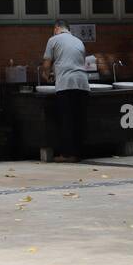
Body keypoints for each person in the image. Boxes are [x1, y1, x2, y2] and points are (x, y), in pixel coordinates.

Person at [42, 20, 90, 163]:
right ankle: (78, 153)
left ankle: (67, 154)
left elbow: (46, 63)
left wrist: (46, 75)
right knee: (79, 120)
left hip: (66, 84)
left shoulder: (53, 40)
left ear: (57, 28)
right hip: (82, 83)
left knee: (66, 120)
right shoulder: (79, 41)